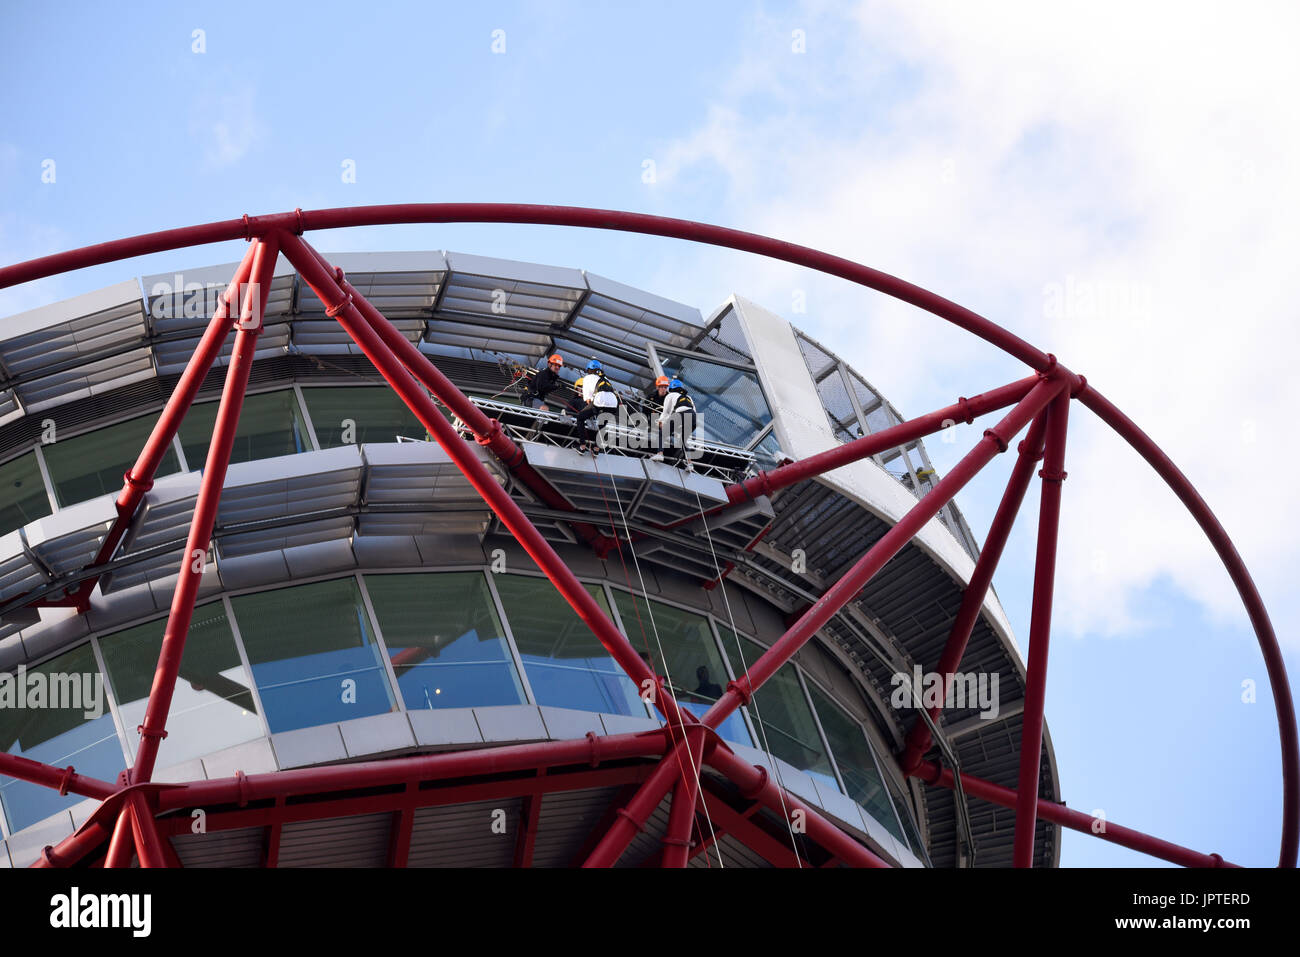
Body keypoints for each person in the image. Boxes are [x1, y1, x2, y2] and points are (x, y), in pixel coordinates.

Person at [573, 359, 619, 454]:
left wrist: (589, 412)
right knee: (602, 425)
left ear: (588, 370)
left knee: (580, 418)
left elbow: (588, 400)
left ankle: (582, 446)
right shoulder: (605, 379)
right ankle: (596, 449)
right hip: (614, 403)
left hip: (600, 401)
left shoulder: (587, 378)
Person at [650, 376, 696, 470]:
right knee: (684, 440)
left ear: (671, 388)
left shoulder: (670, 395)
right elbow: (693, 410)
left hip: (680, 414)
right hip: (693, 417)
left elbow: (666, 412)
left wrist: (661, 422)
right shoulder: (688, 397)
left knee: (662, 434)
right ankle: (690, 464)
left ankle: (660, 454)